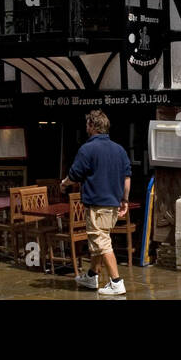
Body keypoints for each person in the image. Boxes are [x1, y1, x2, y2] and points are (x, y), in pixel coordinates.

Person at [60, 109, 132, 296]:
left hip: (97, 205)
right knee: (100, 239)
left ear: (92, 126)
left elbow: (75, 174)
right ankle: (92, 275)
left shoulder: (87, 148)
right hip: (113, 204)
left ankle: (116, 282)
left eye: (87, 124)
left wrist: (64, 183)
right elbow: (127, 178)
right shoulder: (119, 149)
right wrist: (124, 200)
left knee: (101, 242)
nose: (86, 127)